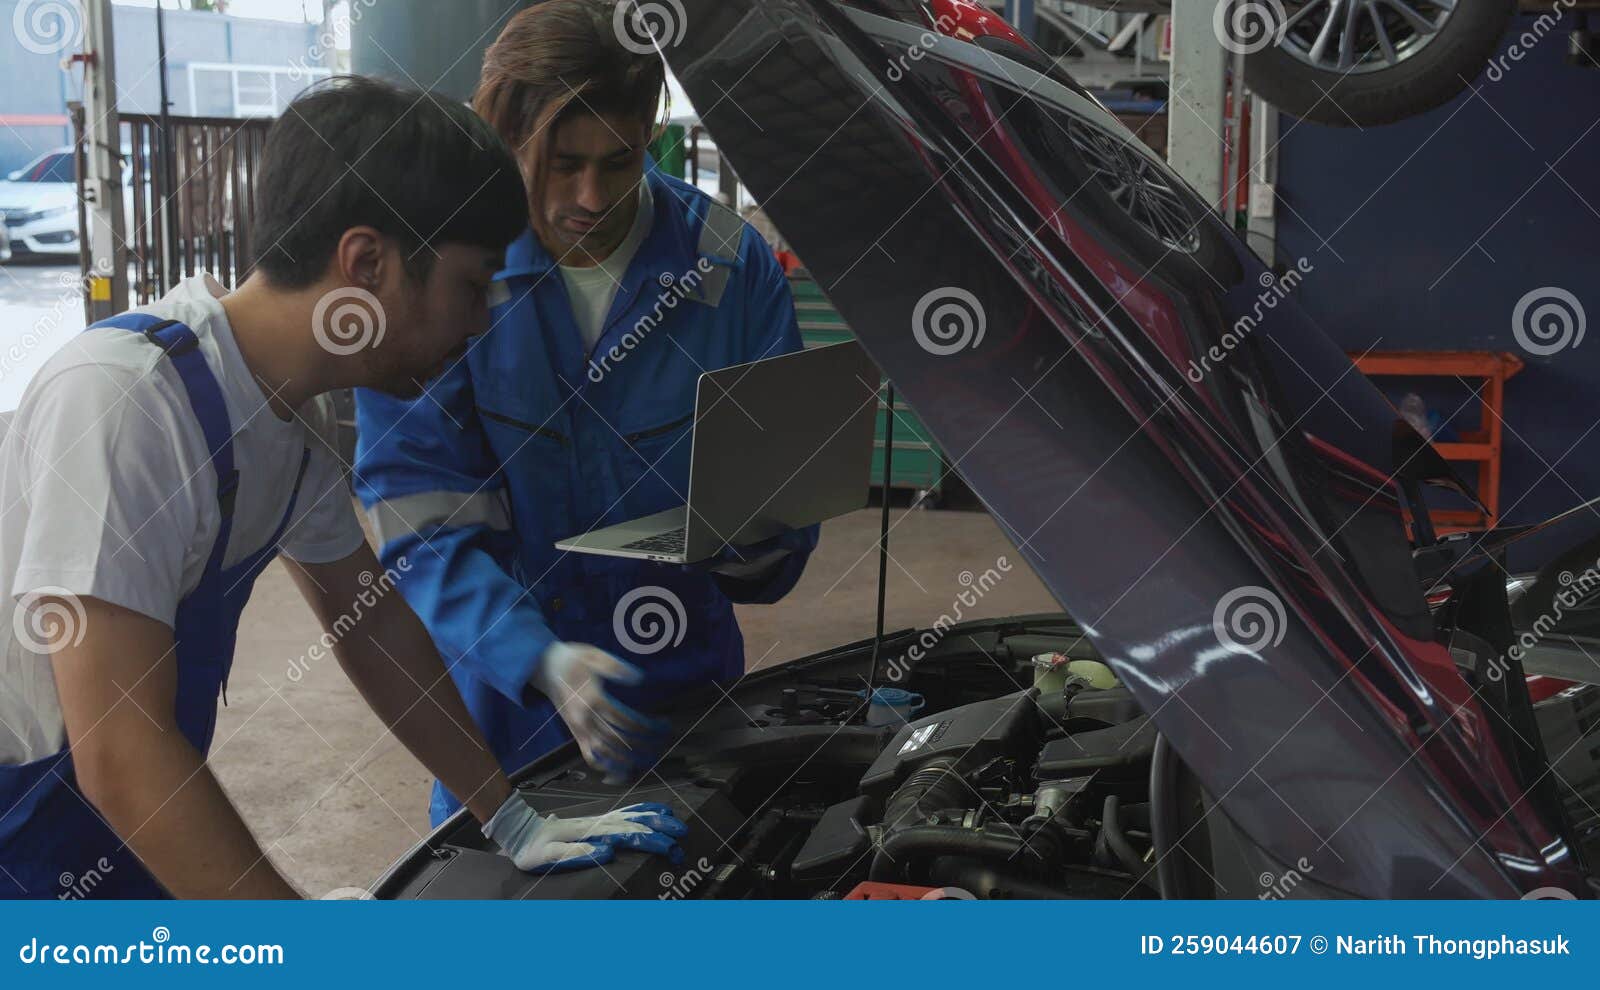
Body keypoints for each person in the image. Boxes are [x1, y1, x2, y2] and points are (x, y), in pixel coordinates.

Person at [0, 77, 685, 899]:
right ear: (366, 261)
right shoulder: (127, 400)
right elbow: (120, 753)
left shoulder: (284, 422)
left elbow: (373, 626)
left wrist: (510, 818)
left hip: (108, 823)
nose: (478, 326)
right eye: (472, 286)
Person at [355, 0, 817, 826]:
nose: (590, 196)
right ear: (503, 139)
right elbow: (414, 504)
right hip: (509, 716)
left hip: (691, 708)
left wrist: (764, 533)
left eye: (621, 160)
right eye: (560, 163)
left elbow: (782, 523)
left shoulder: (725, 263)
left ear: (652, 130)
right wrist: (535, 656)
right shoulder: (450, 263)